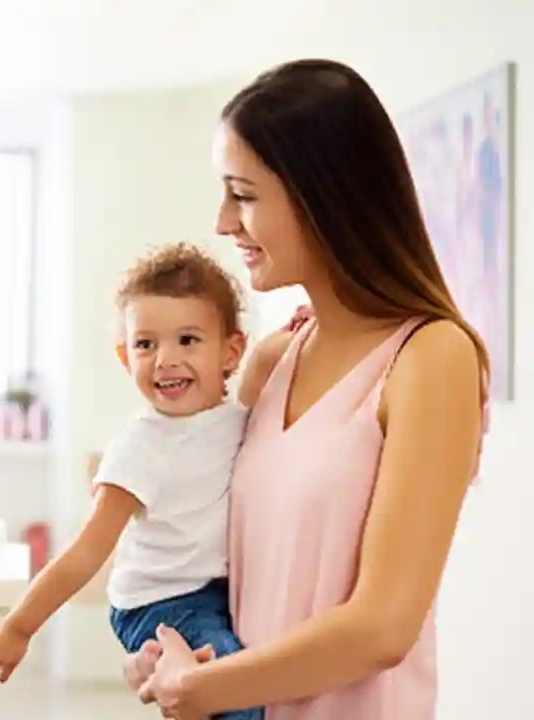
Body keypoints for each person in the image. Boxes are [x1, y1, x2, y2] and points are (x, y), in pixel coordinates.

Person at [129, 59, 488, 719]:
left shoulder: (432, 358)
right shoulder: (276, 359)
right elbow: (251, 577)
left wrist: (203, 688)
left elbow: (383, 627)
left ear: (325, 194)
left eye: (243, 193)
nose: (222, 221)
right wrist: (176, 652)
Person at [0, 242, 263, 720]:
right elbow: (86, 550)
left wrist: (306, 326)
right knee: (234, 690)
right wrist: (18, 628)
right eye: (146, 344)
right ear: (127, 357)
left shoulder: (233, 417)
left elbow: (273, 360)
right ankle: (155, 662)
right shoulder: (142, 447)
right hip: (162, 599)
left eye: (187, 340)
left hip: (213, 590)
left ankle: (149, 665)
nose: (165, 359)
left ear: (231, 352)